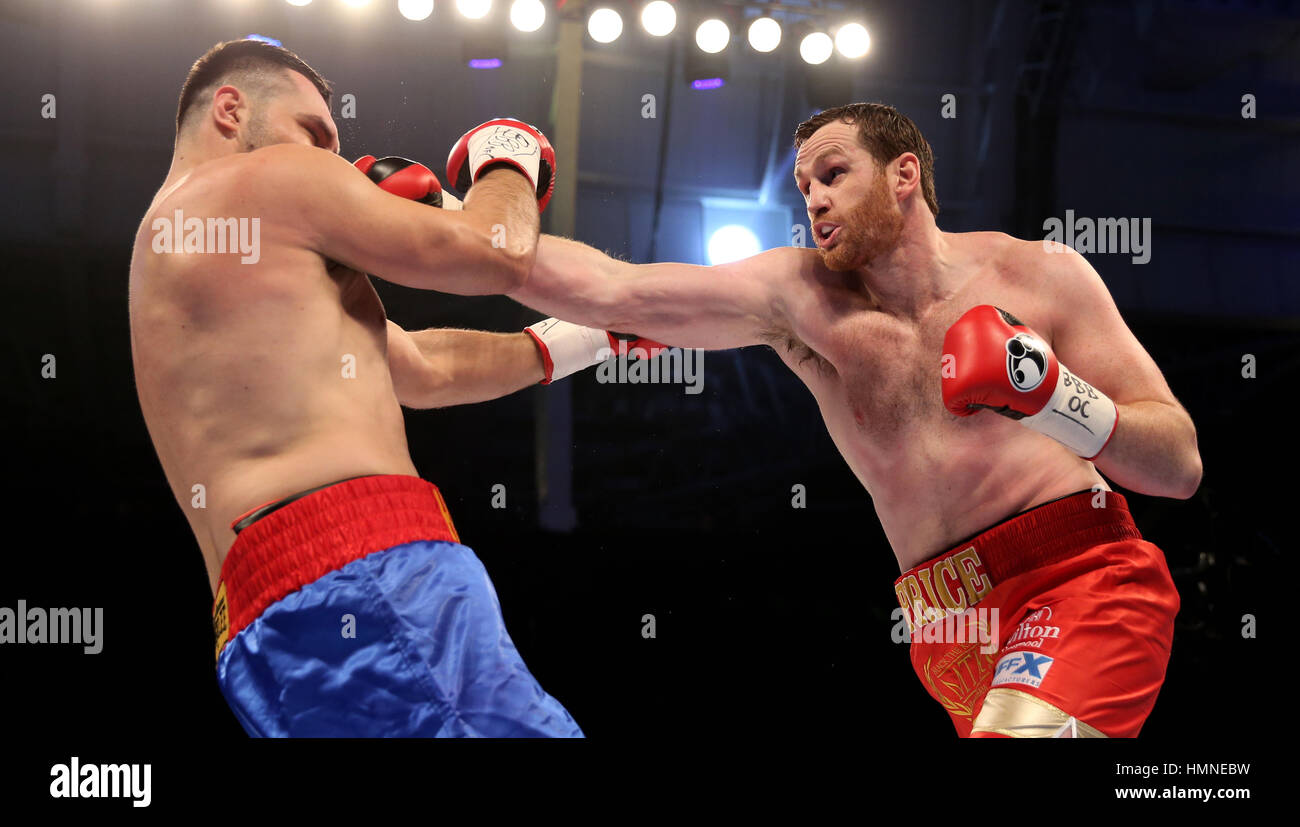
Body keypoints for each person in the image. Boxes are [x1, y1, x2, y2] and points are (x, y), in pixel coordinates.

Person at [507, 102, 1200, 737]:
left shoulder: (1040, 274)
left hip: (1080, 578)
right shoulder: (799, 296)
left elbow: (1178, 464)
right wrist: (466, 215)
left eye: (834, 174)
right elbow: (611, 291)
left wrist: (1053, 397)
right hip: (945, 625)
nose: (815, 199)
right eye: (804, 187)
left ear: (905, 175)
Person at [129, 38, 647, 737]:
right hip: (365, 567)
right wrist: (507, 158)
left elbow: (416, 368)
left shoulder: (168, 252)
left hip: (257, 629)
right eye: (314, 132)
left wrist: (588, 338)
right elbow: (498, 249)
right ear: (230, 108)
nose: (330, 159)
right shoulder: (272, 179)